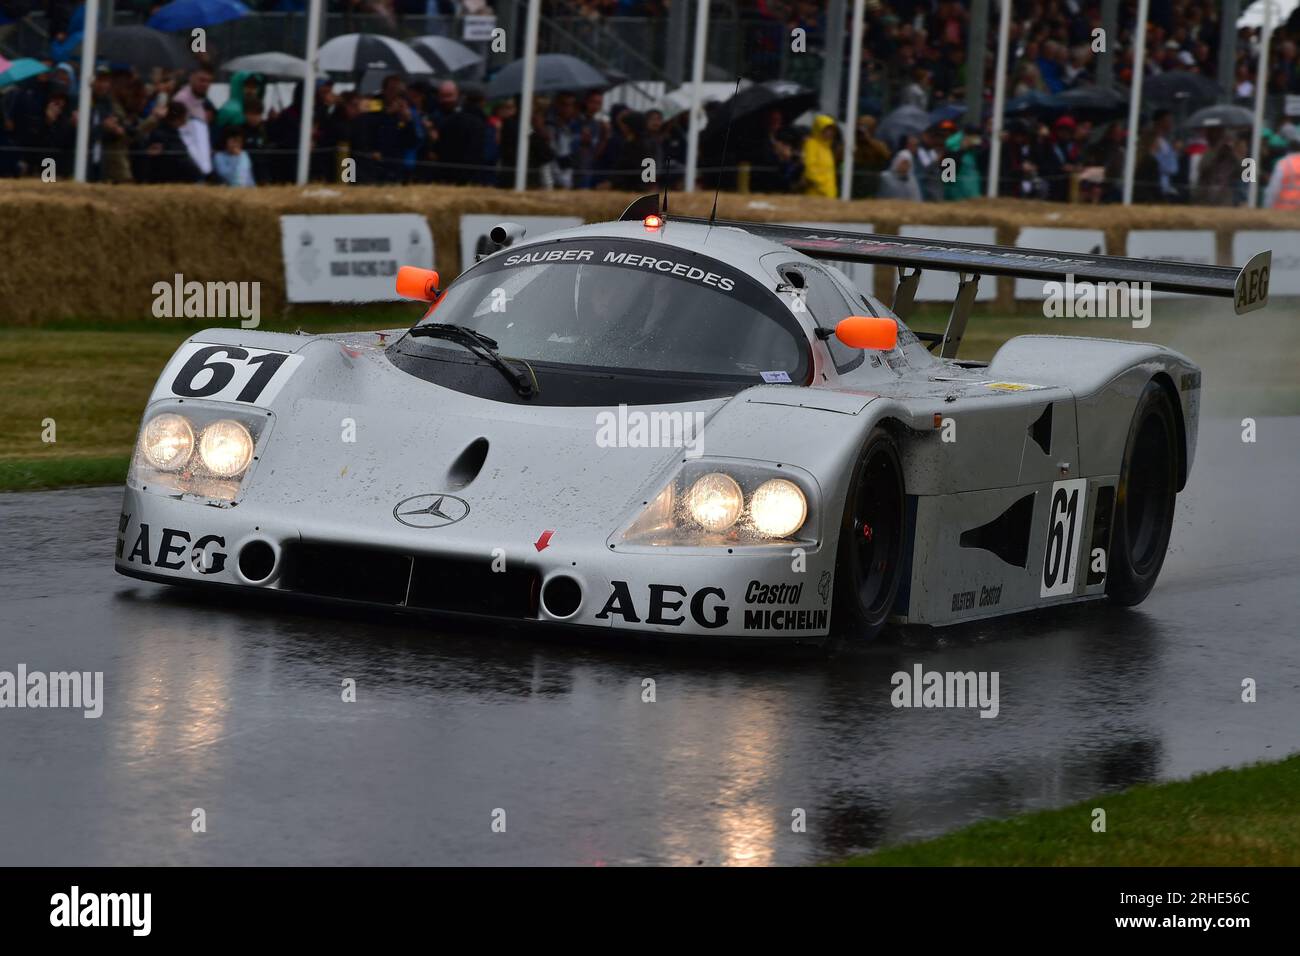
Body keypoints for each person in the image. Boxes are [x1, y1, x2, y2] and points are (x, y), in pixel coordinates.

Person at [801, 114, 839, 197]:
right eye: (827, 129)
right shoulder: (811, 144)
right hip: (816, 194)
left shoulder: (827, 147)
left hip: (829, 194)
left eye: (832, 130)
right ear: (819, 129)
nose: (830, 132)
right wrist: (822, 187)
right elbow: (810, 168)